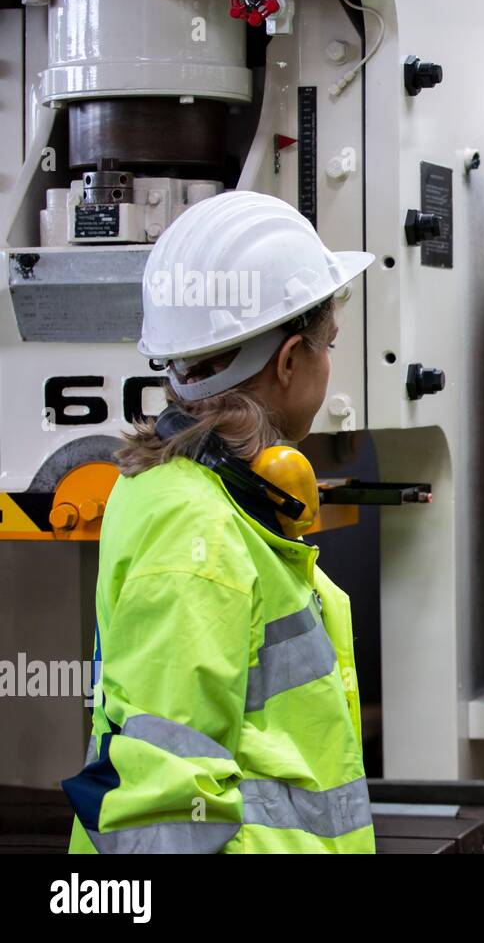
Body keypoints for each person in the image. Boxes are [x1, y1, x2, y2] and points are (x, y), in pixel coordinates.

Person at [61, 191, 376, 853]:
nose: (329, 365)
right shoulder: (196, 538)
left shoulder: (204, 502)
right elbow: (162, 819)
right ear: (290, 363)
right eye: (328, 346)